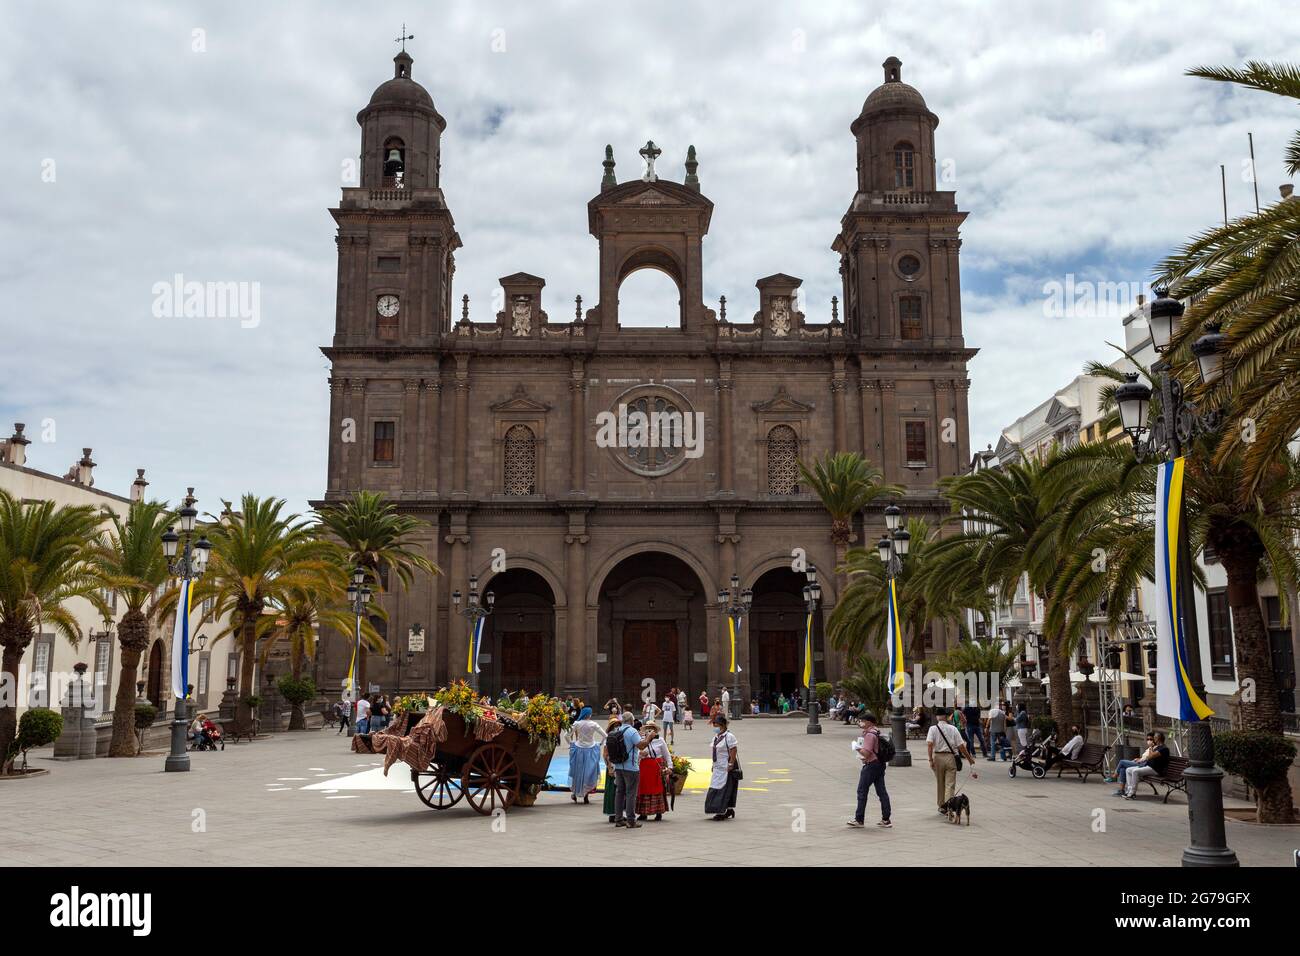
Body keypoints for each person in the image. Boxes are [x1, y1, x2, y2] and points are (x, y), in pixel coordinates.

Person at [846, 712, 893, 829]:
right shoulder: (876, 732)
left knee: (862, 791)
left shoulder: (869, 735)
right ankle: (886, 819)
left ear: (869, 722)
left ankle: (859, 819)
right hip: (879, 764)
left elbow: (866, 753)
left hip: (871, 765)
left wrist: (856, 747)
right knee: (881, 791)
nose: (860, 722)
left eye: (862, 720)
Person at [927, 707, 973, 812]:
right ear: (946, 717)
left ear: (937, 717)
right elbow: (961, 746)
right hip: (950, 757)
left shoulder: (932, 729)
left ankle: (941, 805)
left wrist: (930, 760)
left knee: (940, 782)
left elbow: (929, 745)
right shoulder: (953, 729)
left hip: (938, 757)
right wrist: (969, 759)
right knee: (950, 784)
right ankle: (949, 806)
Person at [610, 711, 651, 828]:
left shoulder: (617, 730)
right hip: (631, 767)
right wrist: (649, 737)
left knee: (619, 793)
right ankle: (631, 820)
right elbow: (641, 745)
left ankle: (618, 819)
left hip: (618, 766)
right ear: (632, 721)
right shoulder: (632, 731)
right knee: (631, 794)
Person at [568, 706, 606, 804]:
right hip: (591, 749)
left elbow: (566, 735)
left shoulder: (577, 723)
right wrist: (600, 743)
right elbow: (605, 735)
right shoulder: (593, 724)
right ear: (589, 714)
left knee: (577, 772)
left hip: (579, 749)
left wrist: (572, 743)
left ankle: (575, 793)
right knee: (589, 772)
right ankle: (586, 794)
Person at [704, 715, 739, 820]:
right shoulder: (716, 737)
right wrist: (713, 765)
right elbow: (715, 751)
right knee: (715, 786)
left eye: (716, 724)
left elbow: (733, 750)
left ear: (722, 725)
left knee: (725, 788)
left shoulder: (729, 736)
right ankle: (727, 809)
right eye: (713, 724)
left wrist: (731, 763)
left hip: (726, 765)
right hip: (718, 766)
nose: (714, 726)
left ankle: (722, 811)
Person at [635, 721, 671, 821]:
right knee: (643, 789)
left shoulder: (660, 740)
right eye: (648, 728)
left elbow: (667, 755)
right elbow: (636, 754)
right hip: (644, 767)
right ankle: (643, 813)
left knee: (657, 789)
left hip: (656, 768)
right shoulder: (642, 741)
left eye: (651, 728)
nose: (649, 730)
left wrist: (670, 767)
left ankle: (658, 812)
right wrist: (641, 754)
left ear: (655, 730)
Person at [1122, 731, 1170, 799]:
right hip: (1149, 767)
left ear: (1158, 739)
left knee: (1135, 771)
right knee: (1128, 770)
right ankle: (1129, 790)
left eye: (1154, 738)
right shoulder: (1157, 747)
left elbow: (1150, 756)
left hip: (1156, 770)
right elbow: (1148, 757)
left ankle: (1132, 793)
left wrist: (1151, 747)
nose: (1153, 739)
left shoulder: (1164, 749)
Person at [601, 714, 621, 822]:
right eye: (614, 725)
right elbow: (605, 754)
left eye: (618, 725)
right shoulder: (608, 738)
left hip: (619, 765)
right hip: (612, 766)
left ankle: (618, 812)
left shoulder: (620, 736)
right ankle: (612, 813)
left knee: (620, 789)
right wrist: (609, 767)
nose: (616, 727)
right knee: (611, 790)